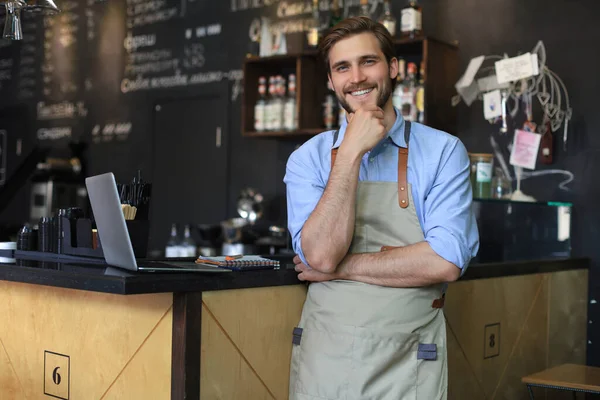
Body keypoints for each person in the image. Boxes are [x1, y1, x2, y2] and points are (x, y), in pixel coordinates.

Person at [283, 16, 479, 400]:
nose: (356, 77)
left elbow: (445, 262)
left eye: (368, 61)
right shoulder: (308, 159)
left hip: (408, 364)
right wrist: (350, 152)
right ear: (330, 81)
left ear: (392, 68)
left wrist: (342, 268)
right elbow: (320, 253)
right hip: (325, 357)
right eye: (342, 67)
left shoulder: (443, 151)